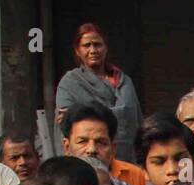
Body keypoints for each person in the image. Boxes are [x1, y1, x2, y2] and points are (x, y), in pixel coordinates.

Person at [56, 23, 143, 164]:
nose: (93, 50)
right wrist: (120, 113)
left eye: (97, 44)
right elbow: (67, 123)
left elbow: (135, 120)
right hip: (87, 160)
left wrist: (87, 111)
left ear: (106, 48)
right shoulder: (70, 83)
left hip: (128, 160)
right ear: (77, 51)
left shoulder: (124, 81)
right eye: (86, 45)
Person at [62, 102, 147, 185]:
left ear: (113, 148)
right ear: (66, 147)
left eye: (100, 142)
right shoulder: (53, 183)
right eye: (82, 141)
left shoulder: (134, 176)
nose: (92, 149)